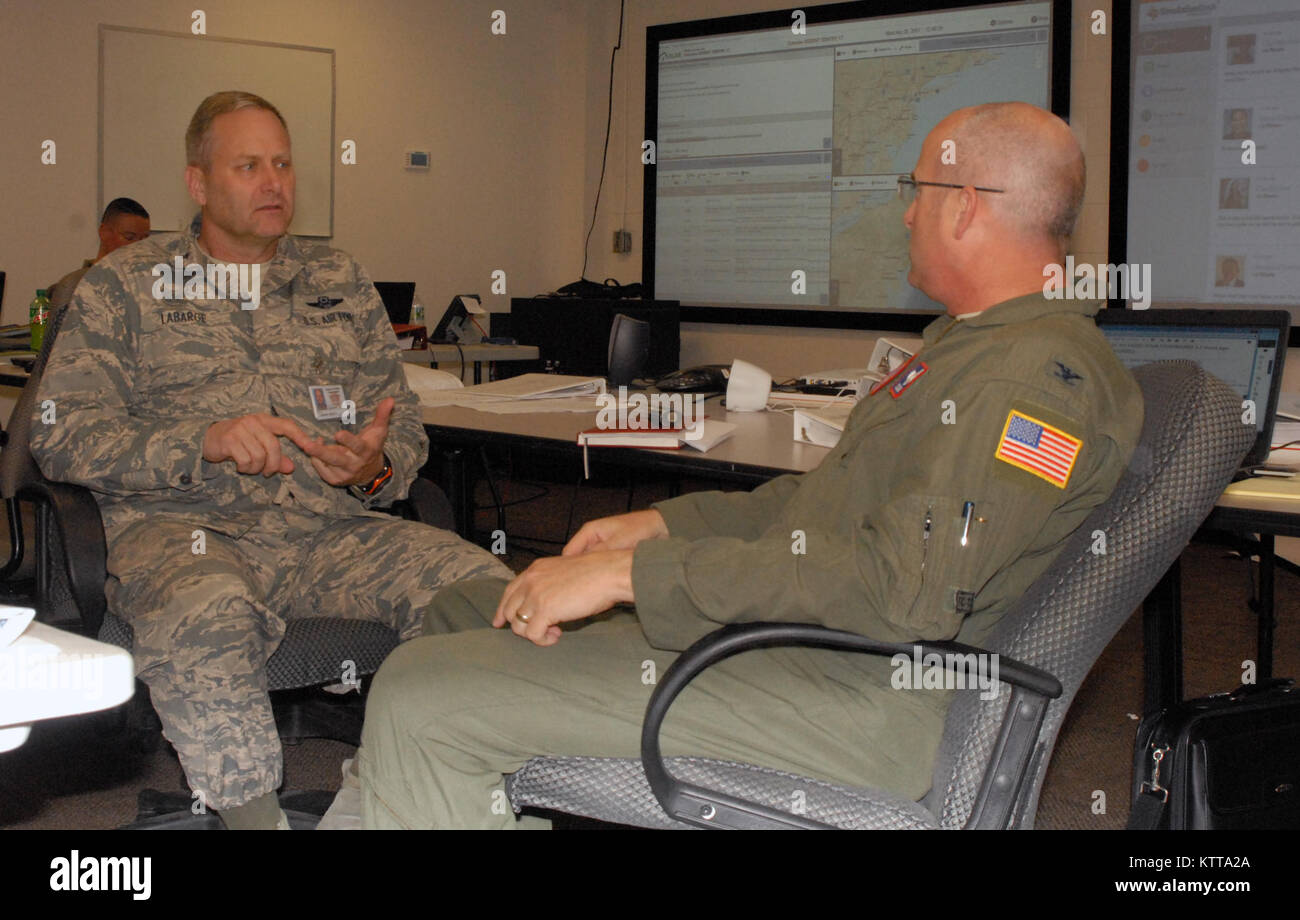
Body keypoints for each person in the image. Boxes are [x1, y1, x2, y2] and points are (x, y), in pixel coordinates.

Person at [345, 102, 1144, 830]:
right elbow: (814, 509)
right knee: (474, 609)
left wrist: (634, 578)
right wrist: (659, 525)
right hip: (820, 649)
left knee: (422, 693)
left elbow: (902, 590)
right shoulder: (972, 348)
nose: (906, 212)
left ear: (965, 206)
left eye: (917, 190)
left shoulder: (1024, 380)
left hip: (862, 694)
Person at [30, 91, 509, 830]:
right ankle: (256, 819)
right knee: (208, 615)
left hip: (327, 532)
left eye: (282, 164)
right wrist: (202, 440)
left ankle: (380, 800)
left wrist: (373, 468)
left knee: (488, 597)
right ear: (198, 183)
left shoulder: (339, 281)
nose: (273, 183)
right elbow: (61, 432)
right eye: (248, 165)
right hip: (182, 531)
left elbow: (400, 424)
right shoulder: (125, 283)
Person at [48, 198, 151, 316]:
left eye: (144, 240)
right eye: (129, 237)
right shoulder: (72, 288)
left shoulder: (148, 290)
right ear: (104, 232)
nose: (138, 246)